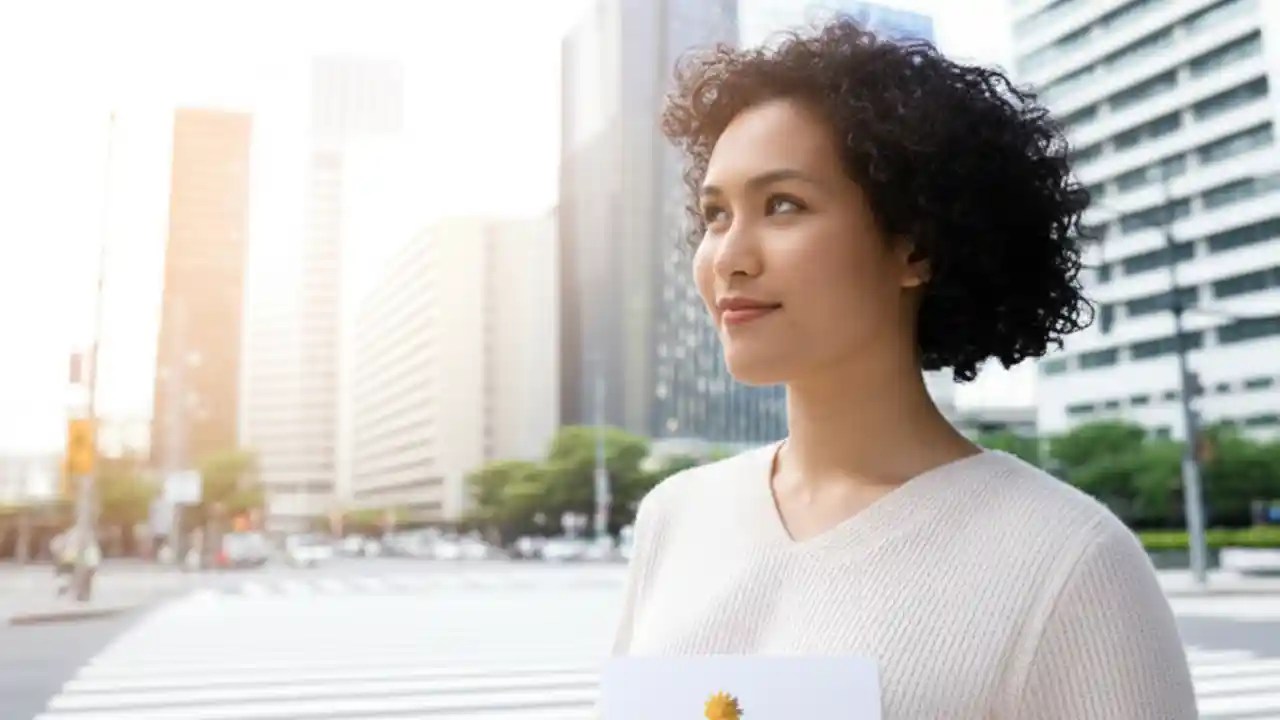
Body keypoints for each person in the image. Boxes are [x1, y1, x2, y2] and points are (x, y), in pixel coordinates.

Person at [611, 18, 1196, 719]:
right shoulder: (675, 516)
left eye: (782, 205)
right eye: (715, 215)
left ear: (914, 247)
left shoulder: (1070, 561)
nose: (728, 257)